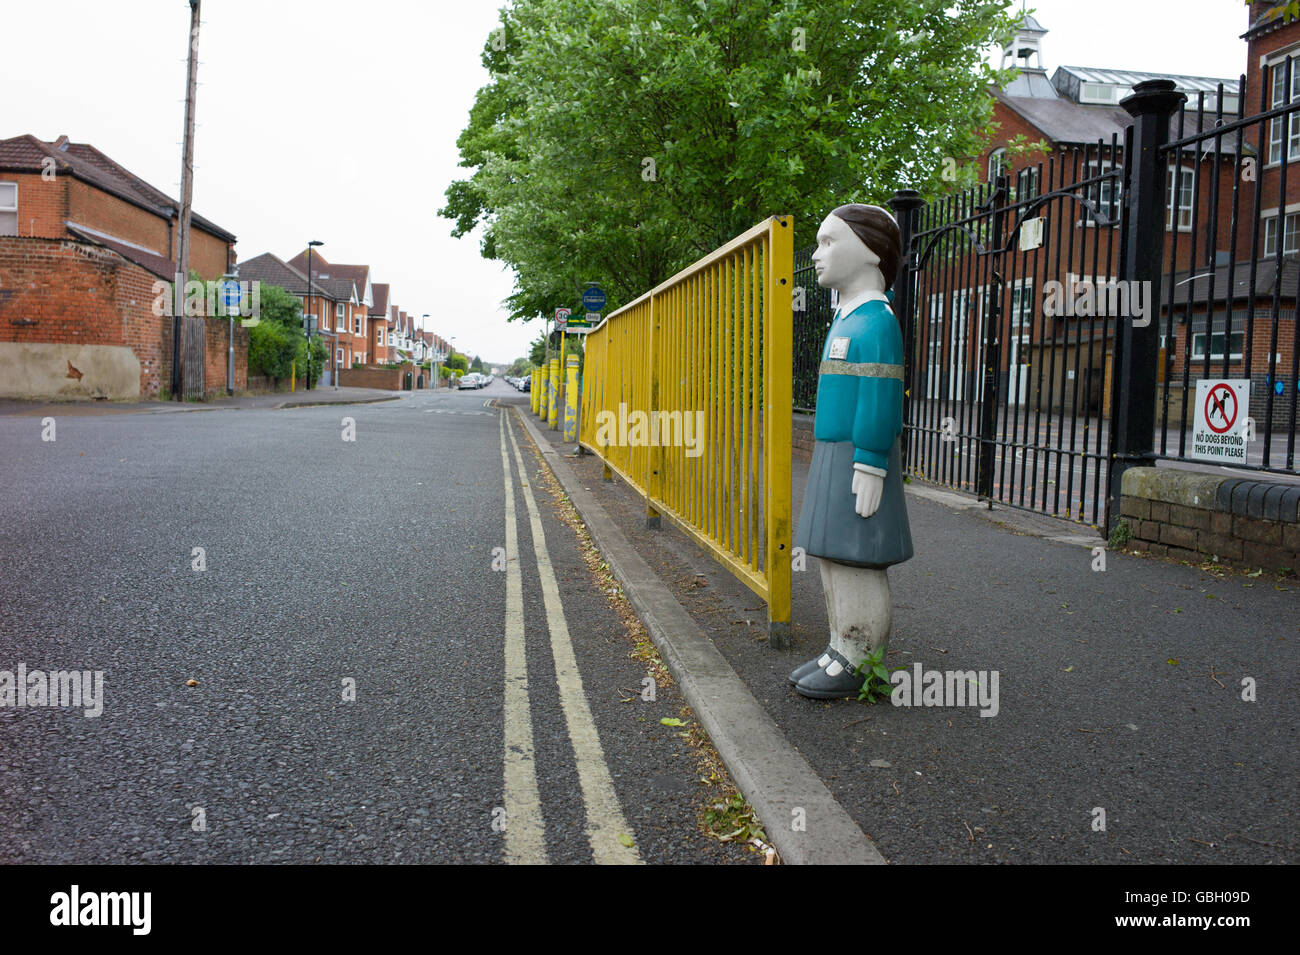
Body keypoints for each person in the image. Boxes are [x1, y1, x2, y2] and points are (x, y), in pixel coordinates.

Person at [789, 204, 914, 700]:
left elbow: (882, 398)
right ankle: (839, 646)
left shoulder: (876, 323)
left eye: (828, 241)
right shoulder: (846, 318)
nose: (817, 254)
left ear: (867, 252)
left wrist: (872, 460)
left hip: (857, 458)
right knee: (830, 554)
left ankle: (861, 658)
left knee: (856, 558)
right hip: (832, 452)